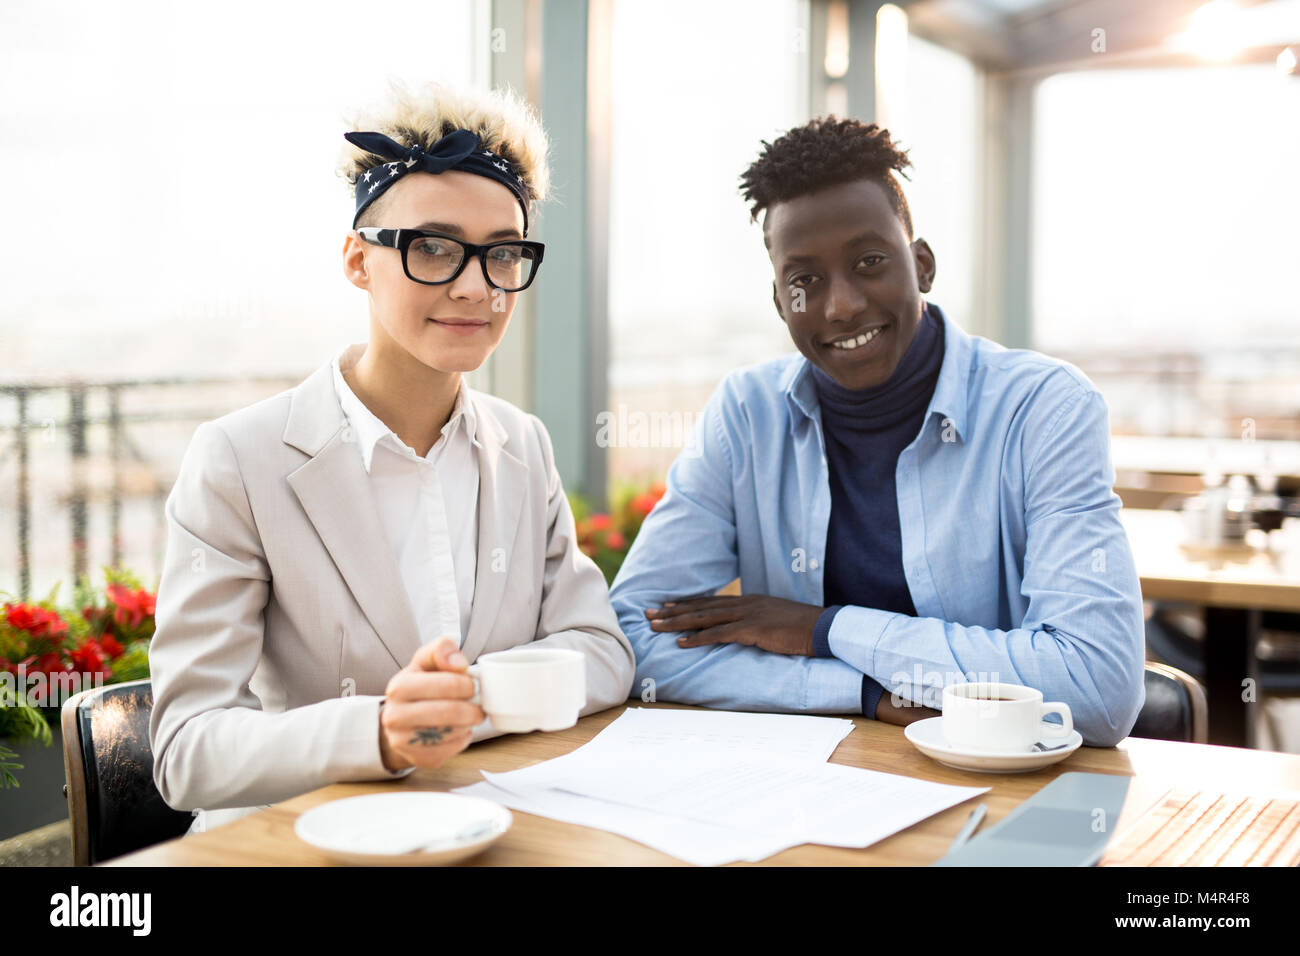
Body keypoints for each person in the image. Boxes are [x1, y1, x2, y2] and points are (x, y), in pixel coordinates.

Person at [149, 80, 635, 833]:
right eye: (434, 247)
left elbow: (601, 651)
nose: (477, 287)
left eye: (503, 254)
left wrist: (465, 700)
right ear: (357, 260)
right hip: (296, 843)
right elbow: (188, 751)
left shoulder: (522, 445)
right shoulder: (238, 460)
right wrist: (378, 731)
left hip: (487, 827)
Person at [608, 116, 1145, 747]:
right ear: (781, 302)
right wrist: (863, 693)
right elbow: (633, 638)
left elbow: (1095, 686)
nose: (840, 305)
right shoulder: (745, 416)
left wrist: (824, 630)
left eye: (869, 262)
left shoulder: (1043, 409)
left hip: (996, 785)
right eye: (804, 280)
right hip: (806, 788)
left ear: (921, 266)